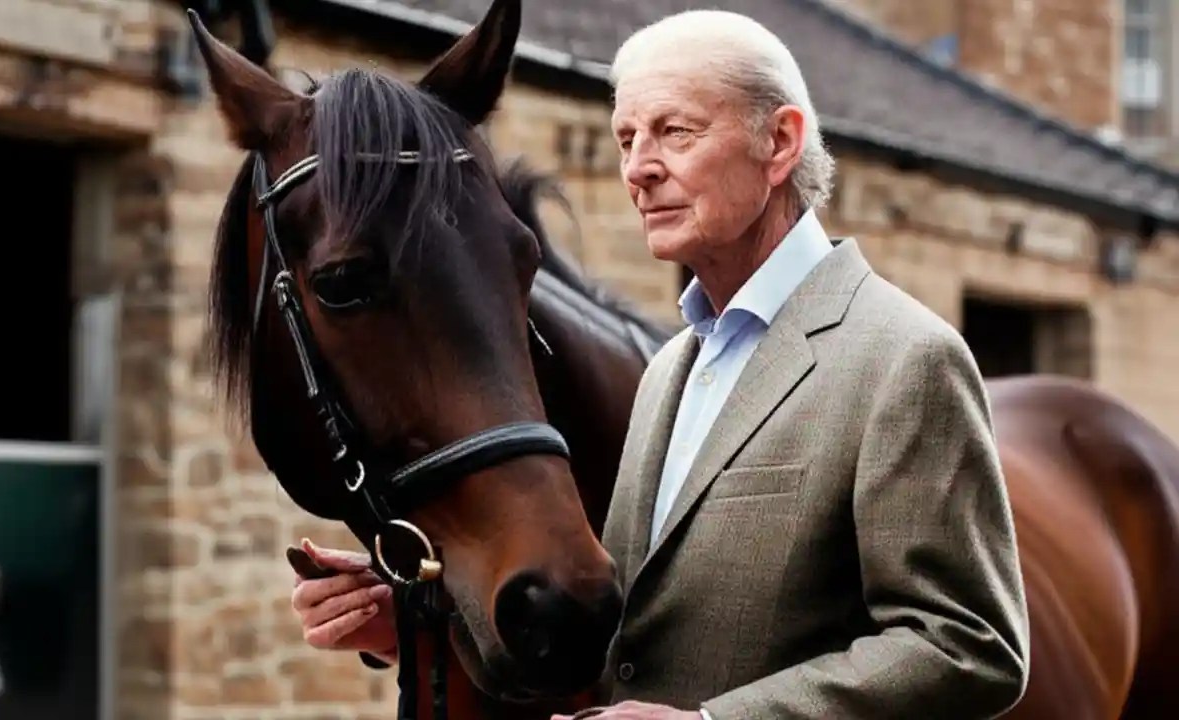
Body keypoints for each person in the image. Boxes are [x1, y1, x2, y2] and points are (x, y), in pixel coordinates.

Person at [290, 9, 1031, 719]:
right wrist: (412, 627)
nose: (639, 169)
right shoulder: (669, 368)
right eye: (625, 138)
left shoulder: (906, 359)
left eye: (674, 132)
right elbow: (627, 642)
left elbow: (969, 646)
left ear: (779, 143)